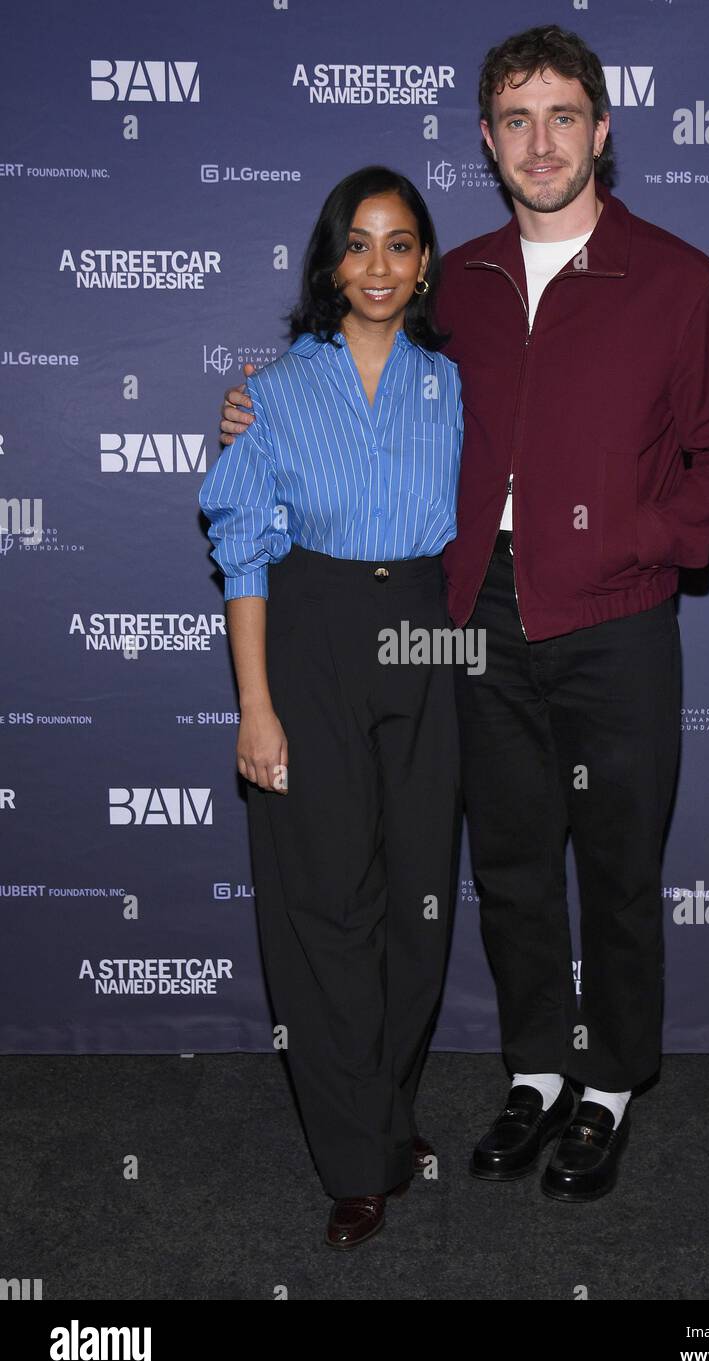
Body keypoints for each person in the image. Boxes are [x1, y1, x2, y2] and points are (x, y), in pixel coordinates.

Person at [219, 26, 709, 1204]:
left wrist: (638, 541)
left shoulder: (681, 281)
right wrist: (253, 410)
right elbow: (356, 364)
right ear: (486, 140)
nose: (541, 141)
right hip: (473, 619)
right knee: (514, 865)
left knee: (617, 868)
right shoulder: (453, 281)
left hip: (618, 621)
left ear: (601, 132)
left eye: (562, 116)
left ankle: (611, 1083)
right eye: (515, 120)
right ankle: (535, 1068)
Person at [199, 166, 464, 1248]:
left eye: (400, 245)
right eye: (357, 244)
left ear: (425, 264)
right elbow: (244, 554)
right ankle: (354, 1160)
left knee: (418, 903)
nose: (377, 266)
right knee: (322, 907)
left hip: (427, 632)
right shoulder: (266, 392)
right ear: (327, 261)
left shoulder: (454, 383)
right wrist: (255, 707)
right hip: (307, 633)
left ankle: (390, 1110)